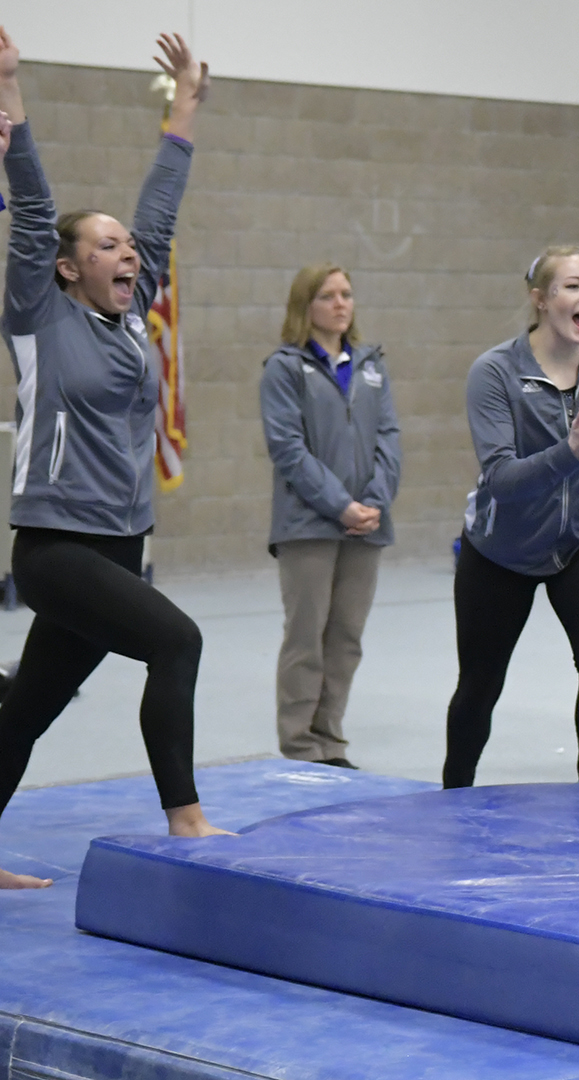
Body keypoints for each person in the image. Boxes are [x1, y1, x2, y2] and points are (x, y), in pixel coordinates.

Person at [0, 31, 226, 891]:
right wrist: (10, 84)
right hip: (57, 546)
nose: (127, 252)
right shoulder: (39, 317)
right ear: (64, 270)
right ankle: (186, 816)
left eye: (128, 247)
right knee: (178, 641)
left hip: (120, 543)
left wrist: (185, 106)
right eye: (105, 246)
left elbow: (160, 207)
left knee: (25, 711)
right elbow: (31, 202)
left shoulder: (133, 315)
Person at [443, 246, 579, 789]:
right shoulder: (496, 372)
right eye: (573, 286)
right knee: (481, 683)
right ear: (540, 300)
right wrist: (573, 449)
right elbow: (502, 482)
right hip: (501, 549)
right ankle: (455, 788)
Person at [260, 263, 400, 769]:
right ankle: (299, 744)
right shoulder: (283, 367)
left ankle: (330, 739)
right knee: (307, 636)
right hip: (309, 524)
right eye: (328, 296)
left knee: (345, 637)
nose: (341, 303)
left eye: (347, 294)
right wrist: (339, 504)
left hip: (367, 523)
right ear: (306, 305)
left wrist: (374, 501)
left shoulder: (371, 364)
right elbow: (288, 448)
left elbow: (389, 438)